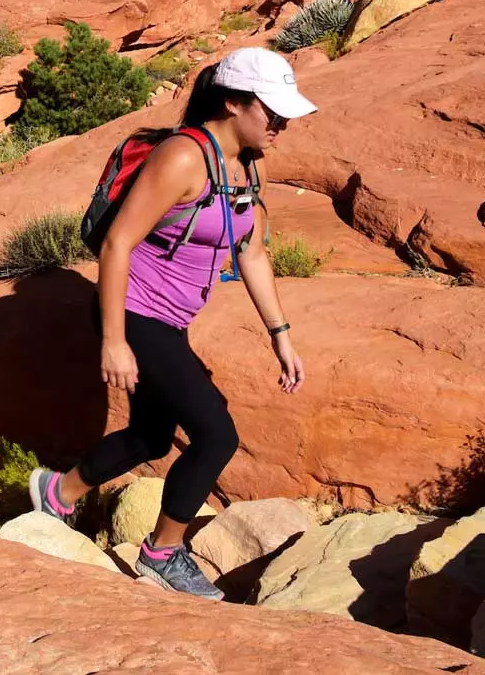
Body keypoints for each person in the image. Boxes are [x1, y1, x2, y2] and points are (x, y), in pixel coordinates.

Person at [28, 46, 313, 599]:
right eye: (271, 111)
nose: (280, 124)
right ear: (233, 102)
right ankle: (162, 552)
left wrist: (281, 335)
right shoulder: (184, 157)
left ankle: (59, 491)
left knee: (152, 436)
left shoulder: (245, 165)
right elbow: (117, 242)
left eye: (284, 114)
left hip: (167, 319)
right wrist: (114, 340)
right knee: (215, 435)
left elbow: (252, 252)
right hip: (135, 313)